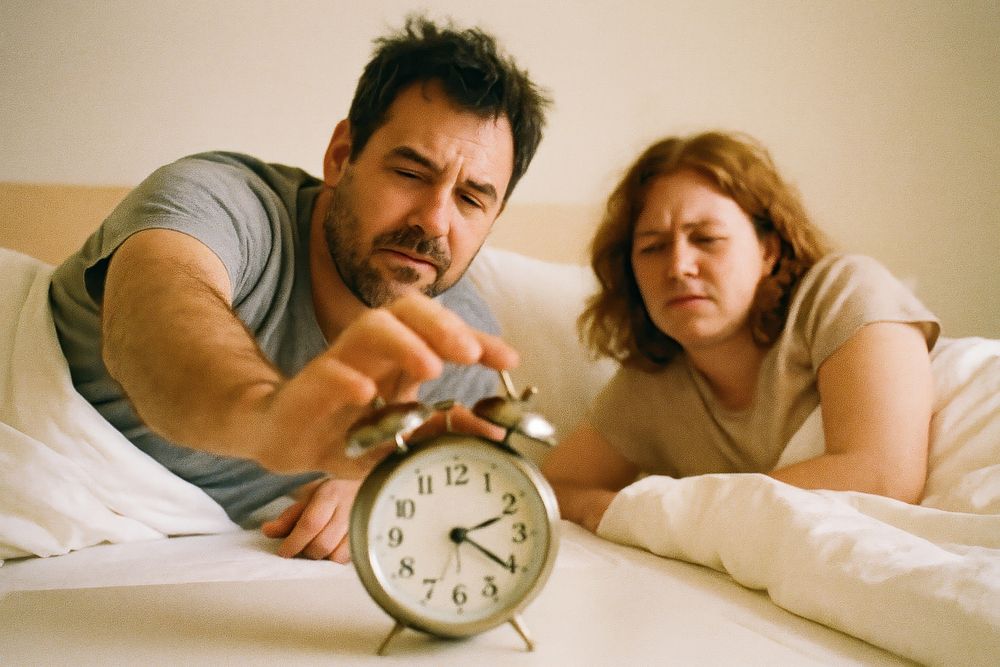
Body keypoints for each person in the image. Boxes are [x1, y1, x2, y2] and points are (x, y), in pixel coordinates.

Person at [47, 15, 550, 562]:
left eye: (471, 200)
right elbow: (153, 315)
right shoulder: (220, 201)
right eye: (409, 173)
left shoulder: (463, 348)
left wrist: (379, 481)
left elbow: (459, 496)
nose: (433, 221)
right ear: (341, 156)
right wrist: (266, 416)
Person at [542, 130, 939, 533]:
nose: (678, 266)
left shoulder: (842, 292)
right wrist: (628, 512)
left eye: (707, 239)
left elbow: (884, 477)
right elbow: (553, 488)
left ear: (769, 250)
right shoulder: (653, 384)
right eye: (652, 247)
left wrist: (673, 512)